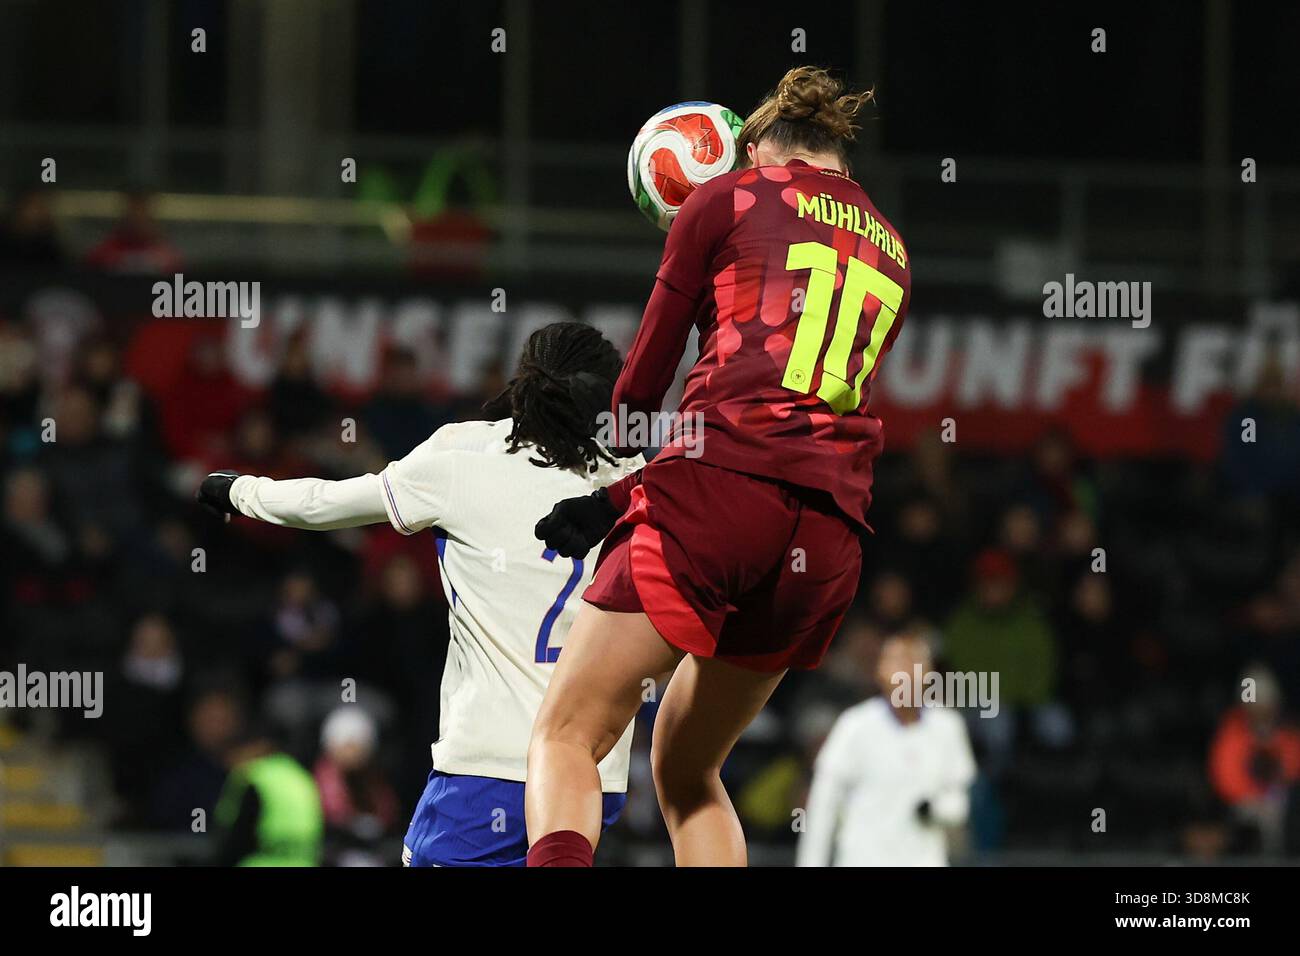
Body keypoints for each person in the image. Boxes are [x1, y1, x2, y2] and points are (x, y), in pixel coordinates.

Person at [528, 66, 910, 866]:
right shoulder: (893, 246)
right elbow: (798, 418)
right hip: (828, 542)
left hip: (719, 499)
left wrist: (618, 468)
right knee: (691, 770)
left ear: (757, 147)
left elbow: (646, 379)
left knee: (568, 733)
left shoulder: (727, 197)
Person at [197, 322, 643, 866]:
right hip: (596, 773)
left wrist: (238, 490)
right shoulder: (634, 481)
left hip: (491, 766)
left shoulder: (464, 456)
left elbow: (327, 504)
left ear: (524, 381)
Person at [796, 630, 975, 866]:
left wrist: (936, 809)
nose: (906, 672)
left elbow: (958, 800)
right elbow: (823, 806)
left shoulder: (948, 727)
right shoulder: (854, 726)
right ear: (880, 671)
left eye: (914, 661)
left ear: (930, 673)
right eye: (897, 661)